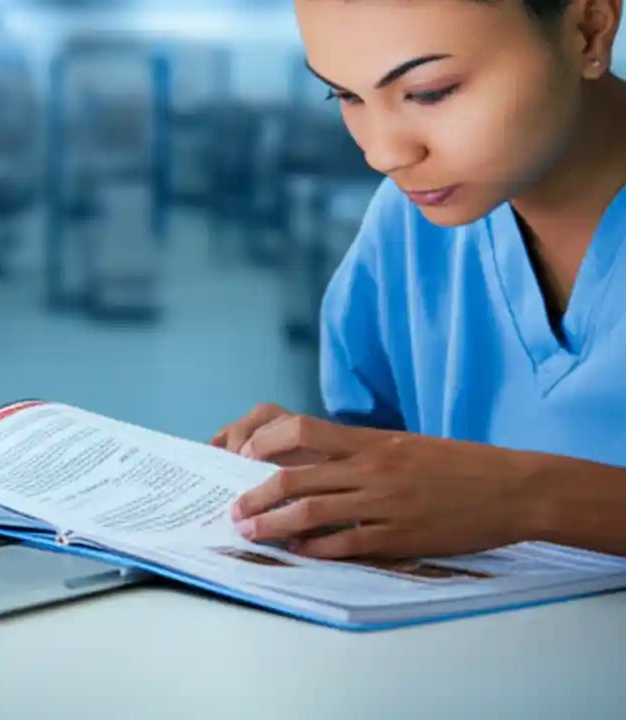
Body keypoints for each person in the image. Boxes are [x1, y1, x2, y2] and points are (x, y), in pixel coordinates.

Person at [210, 0, 626, 559]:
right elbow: (383, 436)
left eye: (430, 92)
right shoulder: (412, 223)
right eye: (347, 96)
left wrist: (529, 498)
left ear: (589, 30)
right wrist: (331, 471)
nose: (384, 153)